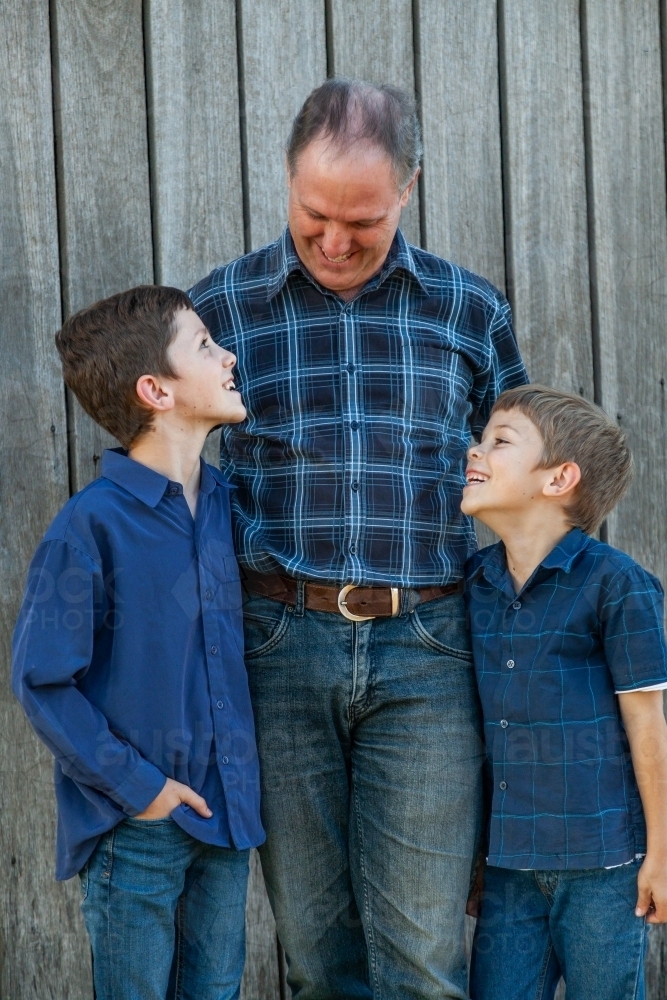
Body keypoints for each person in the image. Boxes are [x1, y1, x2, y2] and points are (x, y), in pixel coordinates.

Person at [189, 78, 528, 998]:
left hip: (428, 652)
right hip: (275, 649)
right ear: (288, 181)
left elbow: (521, 485)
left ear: (409, 189)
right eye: (313, 216)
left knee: (422, 961)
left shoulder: (469, 311)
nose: (335, 242)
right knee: (315, 958)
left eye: (363, 221)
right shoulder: (219, 308)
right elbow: (162, 469)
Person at [12, 286, 264, 1000]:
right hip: (137, 827)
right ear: (155, 390)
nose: (229, 356)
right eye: (206, 346)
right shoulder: (91, 526)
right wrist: (141, 789)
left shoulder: (223, 504)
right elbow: (42, 681)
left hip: (226, 817)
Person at [461, 385, 667, 1000]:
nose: (474, 451)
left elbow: (649, 727)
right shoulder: (474, 583)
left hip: (605, 864)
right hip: (507, 868)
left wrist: (661, 851)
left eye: (499, 442)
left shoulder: (618, 585)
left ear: (559, 479)